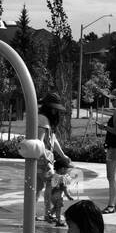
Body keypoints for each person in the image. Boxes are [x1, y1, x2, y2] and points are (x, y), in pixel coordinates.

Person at [36, 92, 69, 222]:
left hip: (38, 158)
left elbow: (52, 140)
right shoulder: (43, 119)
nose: (56, 111)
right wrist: (46, 160)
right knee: (51, 185)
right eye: (54, 108)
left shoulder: (44, 119)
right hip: (43, 159)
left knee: (37, 187)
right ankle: (47, 213)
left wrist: (62, 155)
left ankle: (33, 213)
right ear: (49, 107)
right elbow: (40, 141)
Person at [46, 154, 74, 226]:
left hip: (52, 195)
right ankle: (58, 220)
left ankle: (50, 215)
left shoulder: (54, 175)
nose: (67, 171)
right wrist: (68, 196)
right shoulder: (62, 177)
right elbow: (64, 187)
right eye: (67, 168)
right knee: (59, 207)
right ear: (62, 169)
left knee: (56, 206)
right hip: (58, 195)